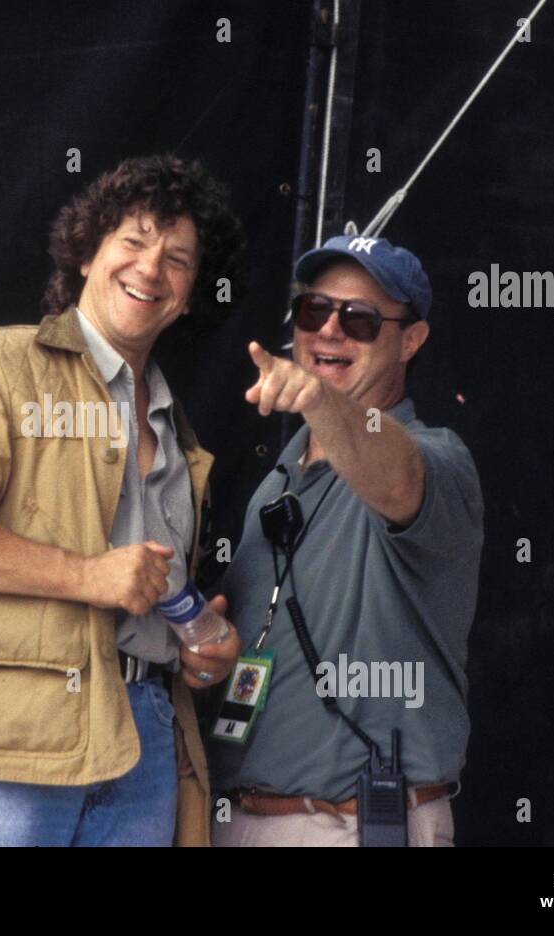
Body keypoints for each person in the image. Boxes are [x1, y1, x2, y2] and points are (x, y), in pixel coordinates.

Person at [0, 154, 247, 846]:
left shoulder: (175, 425)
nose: (150, 267)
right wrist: (87, 575)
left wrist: (197, 647)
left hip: (144, 735)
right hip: (2, 737)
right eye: (132, 241)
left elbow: (150, 590)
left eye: (178, 258)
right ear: (85, 255)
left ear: (190, 294)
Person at [207, 235, 484, 847]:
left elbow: (394, 473)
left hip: (356, 823)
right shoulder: (277, 480)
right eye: (314, 311)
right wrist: (204, 654)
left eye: (359, 319)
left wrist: (319, 399)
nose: (330, 331)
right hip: (240, 818)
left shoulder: (437, 457)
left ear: (410, 340)